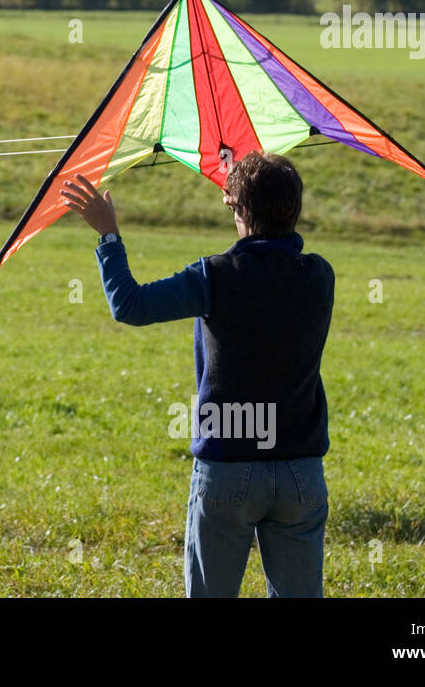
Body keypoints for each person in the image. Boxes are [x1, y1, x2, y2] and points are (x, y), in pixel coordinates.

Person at [60, 151, 334, 597]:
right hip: (301, 472)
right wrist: (243, 191)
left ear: (239, 209)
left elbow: (130, 305)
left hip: (228, 466)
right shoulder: (321, 275)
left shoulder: (215, 276)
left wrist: (108, 235)